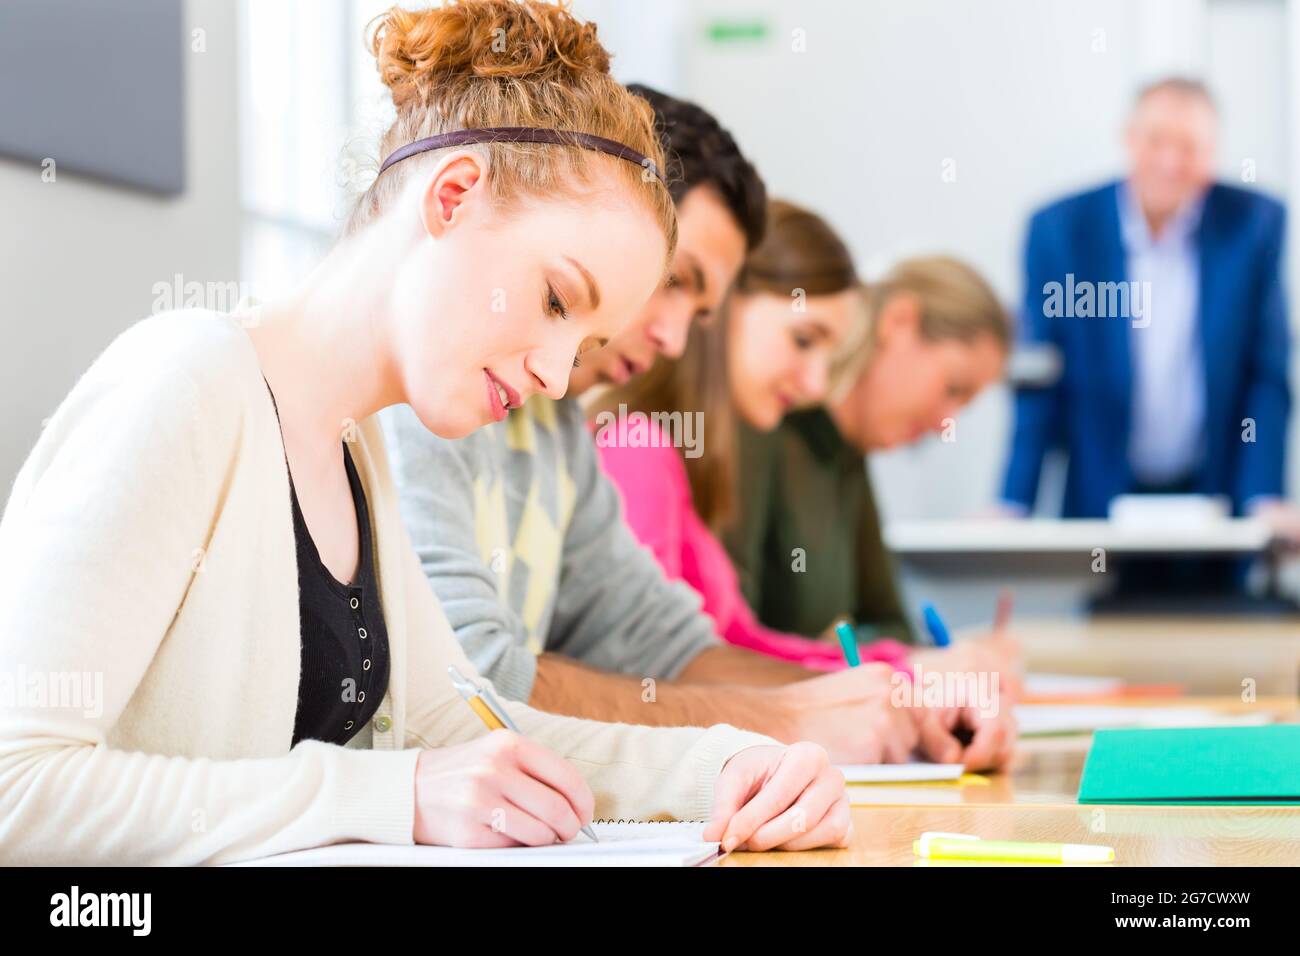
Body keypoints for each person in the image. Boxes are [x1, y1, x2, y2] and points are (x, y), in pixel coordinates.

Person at [0, 0, 850, 865]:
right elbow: (14, 785)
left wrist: (730, 766)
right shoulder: (183, 383)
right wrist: (389, 794)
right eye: (556, 299)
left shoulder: (357, 452)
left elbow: (466, 728)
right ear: (453, 196)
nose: (558, 378)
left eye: (585, 344)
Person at [386, 95, 1010, 768]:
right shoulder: (431, 392)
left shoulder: (555, 421)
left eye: (700, 307)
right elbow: (473, 688)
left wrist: (882, 707)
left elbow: (667, 647)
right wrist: (783, 718)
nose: (676, 338)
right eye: (673, 281)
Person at [1001, 77, 1296, 591]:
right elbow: (1040, 375)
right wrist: (1012, 502)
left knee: (1215, 641)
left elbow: (1265, 373)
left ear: (1213, 153)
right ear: (1129, 139)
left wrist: (1263, 497)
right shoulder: (1061, 230)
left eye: (1190, 148)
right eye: (1157, 141)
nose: (1170, 162)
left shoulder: (1253, 225)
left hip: (1214, 490)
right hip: (1102, 492)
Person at [721, 253, 1017, 687]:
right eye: (953, 389)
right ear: (899, 321)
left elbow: (891, 624)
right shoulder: (763, 428)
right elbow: (726, 644)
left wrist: (935, 660)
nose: (944, 422)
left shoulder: (848, 456)